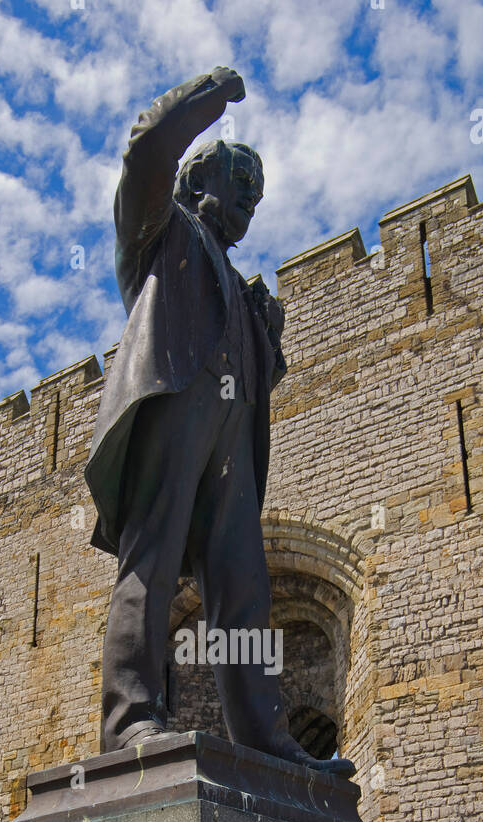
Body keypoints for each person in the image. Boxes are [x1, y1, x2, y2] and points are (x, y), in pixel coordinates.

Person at [85, 66, 355, 777]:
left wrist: (267, 343)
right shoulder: (157, 234)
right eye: (238, 190)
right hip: (173, 412)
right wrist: (208, 99)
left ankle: (267, 740)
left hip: (230, 441)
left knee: (245, 590)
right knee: (153, 560)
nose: (246, 207)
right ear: (198, 182)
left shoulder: (239, 285)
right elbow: (145, 153)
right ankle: (132, 718)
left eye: (255, 201)